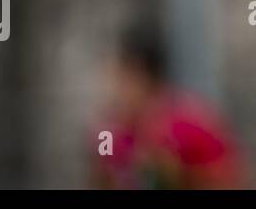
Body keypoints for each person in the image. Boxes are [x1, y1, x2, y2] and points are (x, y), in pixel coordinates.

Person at [91, 24, 244, 189]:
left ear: (138, 73)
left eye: (118, 76)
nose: (111, 87)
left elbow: (233, 178)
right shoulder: (114, 135)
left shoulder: (190, 127)